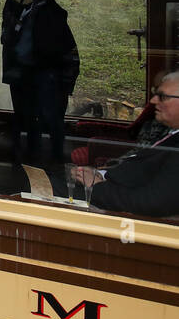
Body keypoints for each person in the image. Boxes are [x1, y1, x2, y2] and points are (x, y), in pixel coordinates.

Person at [70, 72, 179, 218]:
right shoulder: (172, 134)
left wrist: (95, 186)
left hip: (109, 209)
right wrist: (99, 173)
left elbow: (151, 203)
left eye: (163, 96)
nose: (153, 101)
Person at [1, 0, 79, 169]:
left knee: (41, 128)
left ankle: (37, 170)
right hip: (36, 80)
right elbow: (10, 39)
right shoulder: (22, 3)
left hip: (35, 79)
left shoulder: (43, 6)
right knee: (39, 128)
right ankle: (35, 174)